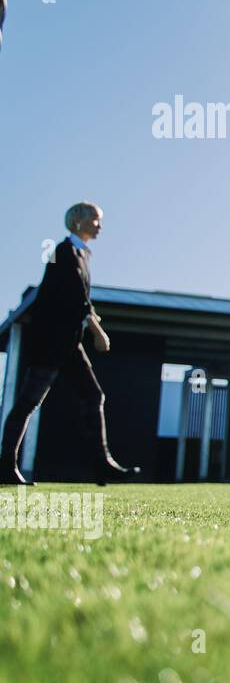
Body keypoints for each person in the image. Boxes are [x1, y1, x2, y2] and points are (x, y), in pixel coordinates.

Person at [1, 203, 140, 486]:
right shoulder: (62, 251)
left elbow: (73, 297)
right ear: (79, 221)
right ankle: (5, 466)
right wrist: (97, 329)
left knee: (93, 396)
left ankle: (103, 466)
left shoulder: (83, 254)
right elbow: (74, 295)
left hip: (69, 344)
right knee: (28, 403)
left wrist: (87, 316)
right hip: (52, 343)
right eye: (95, 220)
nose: (100, 226)